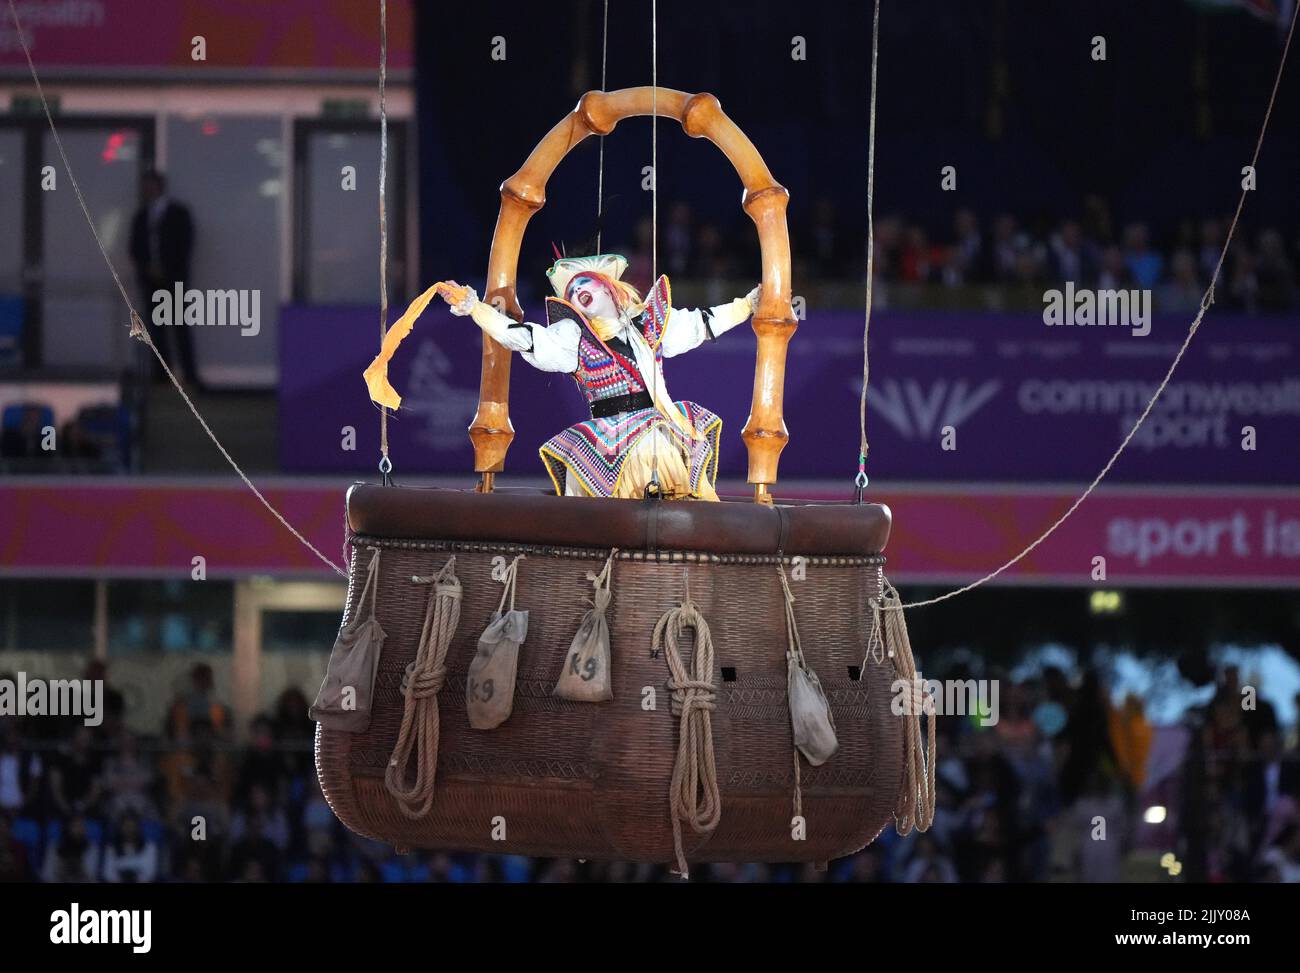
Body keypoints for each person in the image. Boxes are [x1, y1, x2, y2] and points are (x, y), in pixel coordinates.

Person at [437, 253, 758, 500]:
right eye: (573, 291)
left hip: (661, 429)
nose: (578, 292)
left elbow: (703, 324)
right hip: (608, 437)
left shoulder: (651, 323)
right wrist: (475, 308)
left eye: (585, 284)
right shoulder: (572, 335)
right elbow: (520, 336)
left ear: (609, 288)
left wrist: (747, 305)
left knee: (666, 464)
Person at [128, 169, 198, 388]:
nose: (146, 190)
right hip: (150, 281)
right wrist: (148, 268)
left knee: (179, 325)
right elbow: (135, 247)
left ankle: (189, 375)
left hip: (174, 278)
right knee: (156, 327)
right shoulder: (141, 216)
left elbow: (185, 245)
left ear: (159, 186)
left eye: (150, 185)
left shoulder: (179, 213)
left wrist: (167, 269)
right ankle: (162, 376)